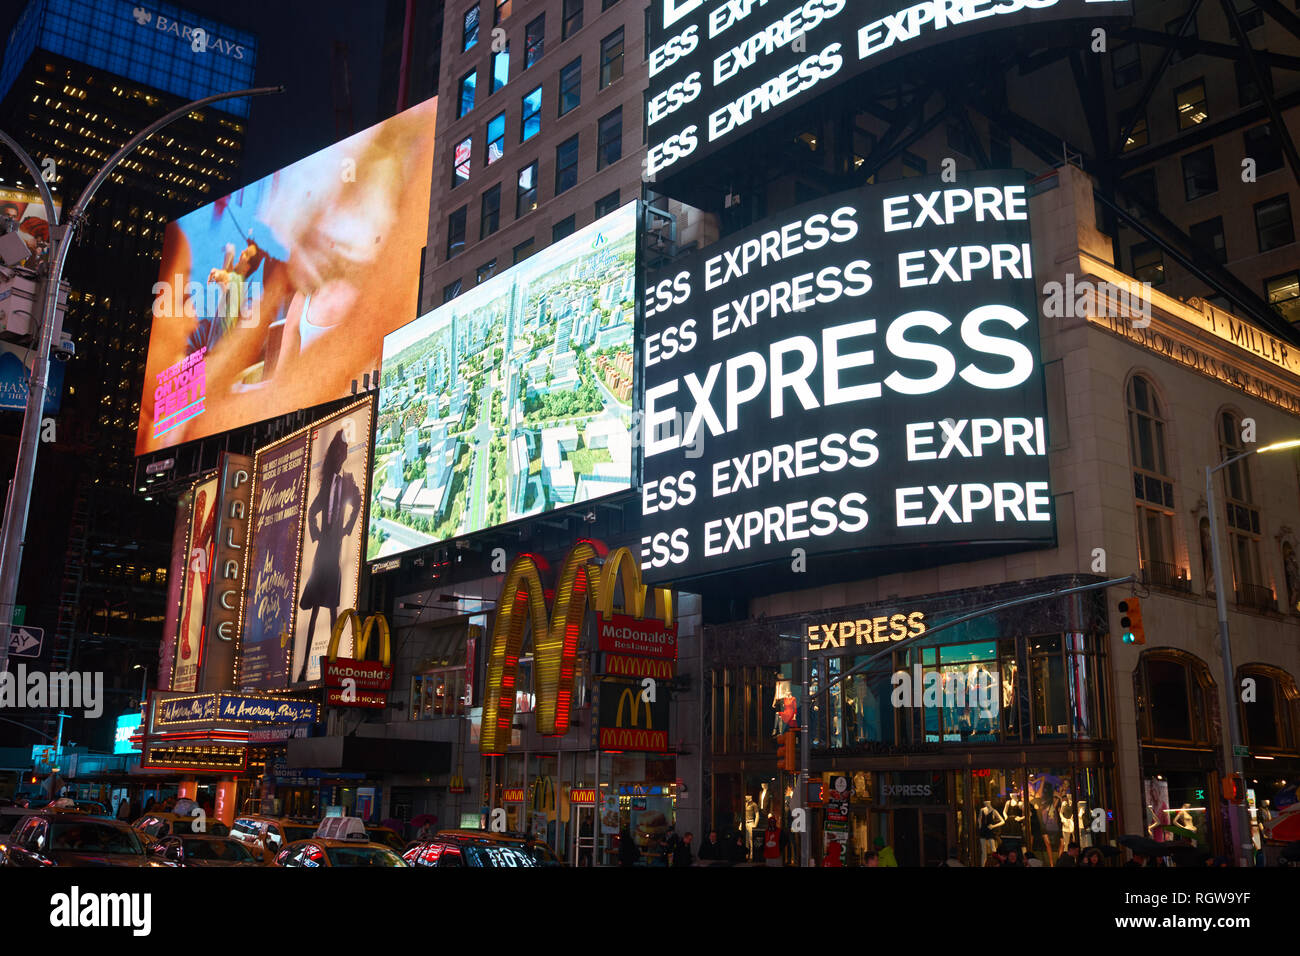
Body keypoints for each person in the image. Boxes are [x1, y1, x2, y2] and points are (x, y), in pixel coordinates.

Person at [294, 427, 362, 683]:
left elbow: (357, 503)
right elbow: (311, 512)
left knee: (333, 606)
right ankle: (303, 668)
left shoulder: (348, 481)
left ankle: (334, 665)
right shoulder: (326, 486)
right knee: (314, 609)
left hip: (335, 552)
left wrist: (346, 528)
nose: (342, 454)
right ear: (334, 452)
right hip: (323, 551)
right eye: (340, 450)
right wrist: (317, 533)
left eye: (345, 451)